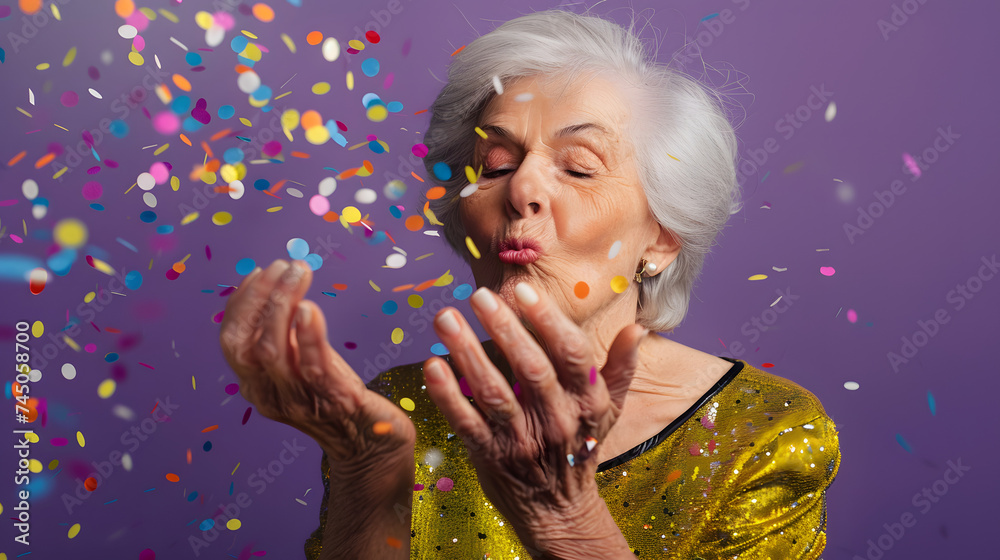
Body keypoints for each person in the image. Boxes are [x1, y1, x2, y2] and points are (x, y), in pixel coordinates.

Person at [219, 9, 840, 559]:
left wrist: (567, 522)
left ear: (662, 235)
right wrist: (368, 471)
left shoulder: (762, 432)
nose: (521, 190)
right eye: (496, 165)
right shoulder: (398, 409)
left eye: (577, 167)